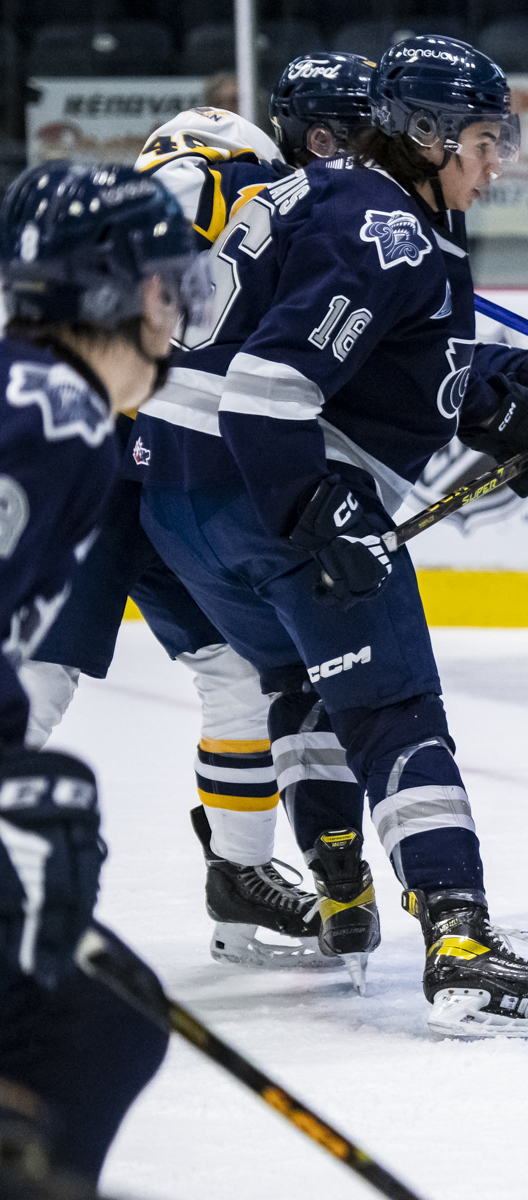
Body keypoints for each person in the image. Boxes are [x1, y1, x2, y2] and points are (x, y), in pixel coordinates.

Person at [132, 36, 528, 1035]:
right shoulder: (387, 227)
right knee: (397, 708)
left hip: (180, 501)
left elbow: (390, 370)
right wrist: (313, 513)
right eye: (487, 140)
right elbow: (271, 388)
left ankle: (340, 891)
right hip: (258, 483)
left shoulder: (333, 199)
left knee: (302, 688)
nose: (499, 163)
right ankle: (459, 941)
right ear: (425, 131)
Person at [20, 55, 384, 980]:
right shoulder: (218, 172)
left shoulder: (206, 182)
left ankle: (241, 882)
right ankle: (237, 871)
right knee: (64, 669)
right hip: (127, 467)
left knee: (233, 674)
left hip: (153, 465)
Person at [0, 161, 203, 1190]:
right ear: (114, 293)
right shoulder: (51, 414)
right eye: (170, 285)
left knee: (104, 1012)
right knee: (91, 1021)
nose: (179, 314)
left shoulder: (46, 406)